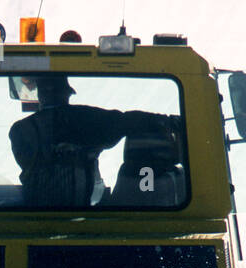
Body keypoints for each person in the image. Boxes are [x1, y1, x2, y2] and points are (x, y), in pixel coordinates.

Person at [9, 75, 179, 207]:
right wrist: (167, 121)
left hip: (35, 219)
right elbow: (127, 121)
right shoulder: (86, 119)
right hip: (78, 218)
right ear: (66, 93)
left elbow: (27, 161)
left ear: (40, 94)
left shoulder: (19, 130)